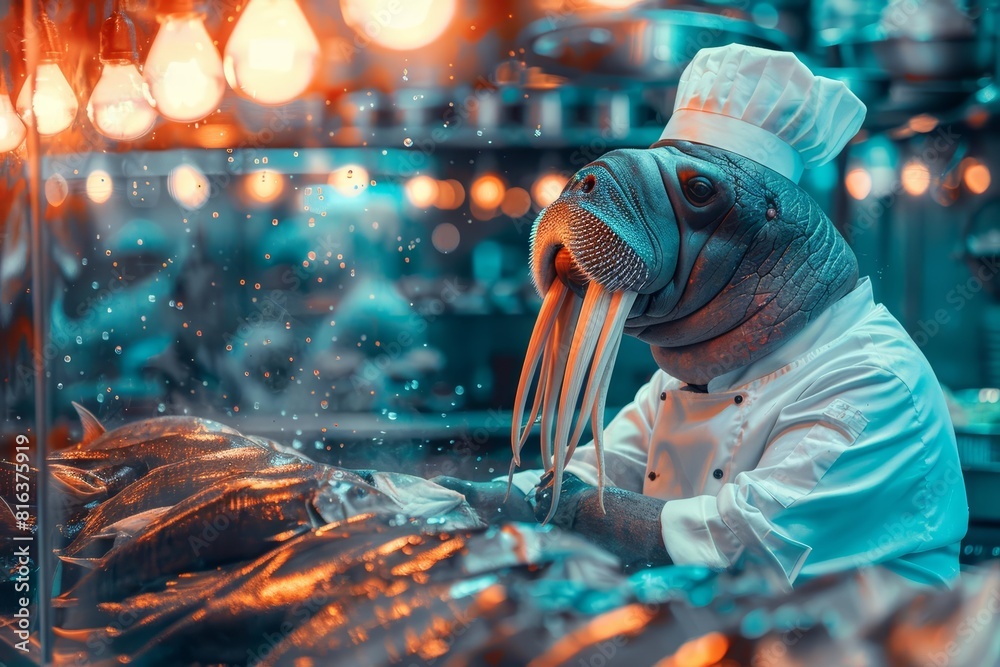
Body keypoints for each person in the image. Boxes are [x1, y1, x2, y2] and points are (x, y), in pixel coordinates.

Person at [434, 44, 969, 590]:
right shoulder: (687, 377)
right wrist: (447, 505)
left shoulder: (870, 379)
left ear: (771, 223)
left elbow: (746, 543)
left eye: (696, 191)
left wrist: (562, 512)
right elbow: (594, 475)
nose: (590, 185)